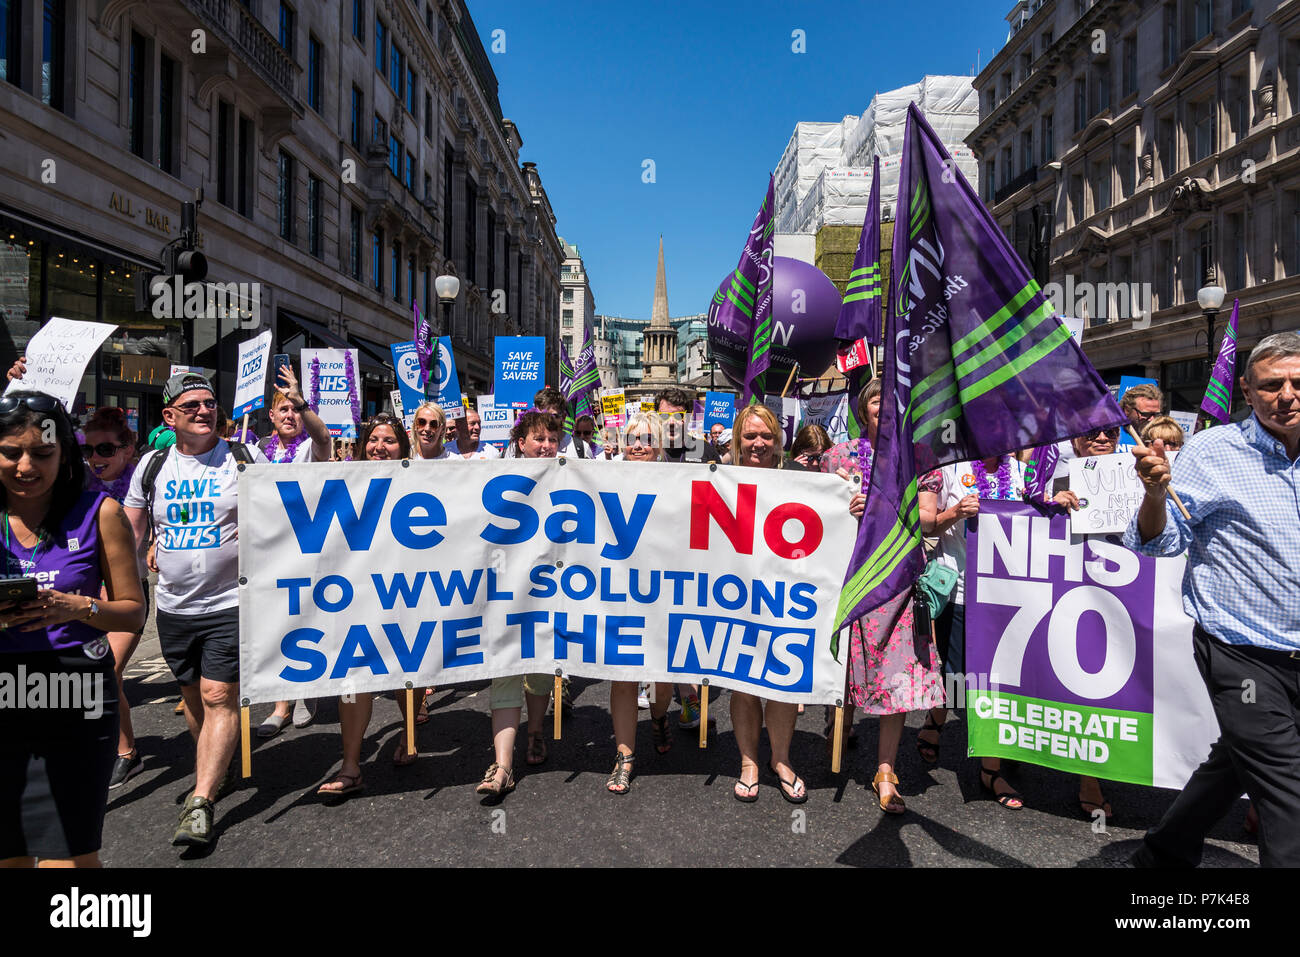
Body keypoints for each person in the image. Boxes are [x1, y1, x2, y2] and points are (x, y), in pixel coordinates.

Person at [1125, 331, 1300, 868]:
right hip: (1243, 654)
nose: (1287, 395)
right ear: (1247, 391)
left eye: (1298, 382)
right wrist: (1155, 493)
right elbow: (1157, 542)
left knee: (1236, 762)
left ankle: (1162, 853)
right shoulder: (1212, 452)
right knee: (1289, 793)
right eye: (1271, 385)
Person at [122, 372, 269, 848]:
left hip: (230, 601)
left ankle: (201, 801)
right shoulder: (151, 466)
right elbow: (129, 534)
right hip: (173, 607)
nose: (205, 411)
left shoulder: (245, 457)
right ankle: (217, 767)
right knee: (191, 697)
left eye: (209, 403)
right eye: (192, 406)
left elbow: (287, 512)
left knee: (217, 694)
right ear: (170, 416)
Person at [1, 391, 146, 866]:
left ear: (64, 454)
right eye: (10, 452)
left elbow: (132, 613)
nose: (26, 466)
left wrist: (78, 607)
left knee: (70, 853)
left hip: (75, 691)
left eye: (42, 453)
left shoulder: (100, 512)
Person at [829, 380, 944, 814]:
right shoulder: (838, 457)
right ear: (864, 411)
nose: (887, 409)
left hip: (896, 578)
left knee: (897, 676)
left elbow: (929, 519)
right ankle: (838, 727)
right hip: (847, 577)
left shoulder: (923, 458)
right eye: (878, 401)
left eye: (895, 403)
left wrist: (889, 503)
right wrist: (843, 506)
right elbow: (816, 514)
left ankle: (885, 769)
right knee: (841, 667)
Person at [316, 414, 414, 799]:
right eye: (373, 439)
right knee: (353, 676)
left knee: (407, 669)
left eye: (389, 441)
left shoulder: (420, 481)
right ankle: (351, 766)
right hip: (356, 593)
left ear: (402, 447)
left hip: (405, 591)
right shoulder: (345, 480)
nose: (379, 447)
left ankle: (409, 734)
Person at [728, 403, 813, 804]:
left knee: (782, 678)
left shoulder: (802, 478)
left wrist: (846, 500)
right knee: (742, 679)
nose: (758, 443)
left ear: (779, 440)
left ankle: (780, 759)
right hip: (733, 594)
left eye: (766, 435)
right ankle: (748, 762)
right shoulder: (720, 476)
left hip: (784, 595)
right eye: (750, 436)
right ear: (738, 441)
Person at [476, 410, 561, 802]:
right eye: (538, 439)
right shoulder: (495, 476)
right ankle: (503, 765)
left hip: (548, 589)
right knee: (505, 667)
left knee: (540, 668)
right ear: (520, 443)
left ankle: (537, 730)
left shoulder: (569, 476)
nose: (546, 446)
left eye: (552, 439)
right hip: (505, 589)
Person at [256, 364, 332, 737]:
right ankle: (280, 704)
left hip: (305, 548)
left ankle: (305, 690)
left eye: (294, 410)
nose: (289, 415)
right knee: (276, 624)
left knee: (304, 620)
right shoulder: (257, 452)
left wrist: (302, 402)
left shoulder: (307, 449)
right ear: (271, 416)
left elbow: (324, 439)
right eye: (283, 409)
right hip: (269, 550)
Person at [602, 413, 676, 794]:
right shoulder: (606, 478)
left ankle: (659, 716)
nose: (638, 446)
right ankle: (625, 756)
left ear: (659, 445)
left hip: (664, 591)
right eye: (632, 439)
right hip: (619, 589)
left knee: (662, 678)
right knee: (624, 673)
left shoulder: (678, 482)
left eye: (647, 439)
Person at [80, 407, 148, 788]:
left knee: (107, 671)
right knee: (90, 675)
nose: (95, 458)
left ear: (127, 450)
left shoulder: (143, 484)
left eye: (105, 449)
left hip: (126, 595)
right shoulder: (78, 487)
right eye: (88, 450)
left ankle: (126, 753)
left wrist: (157, 545)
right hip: (83, 595)